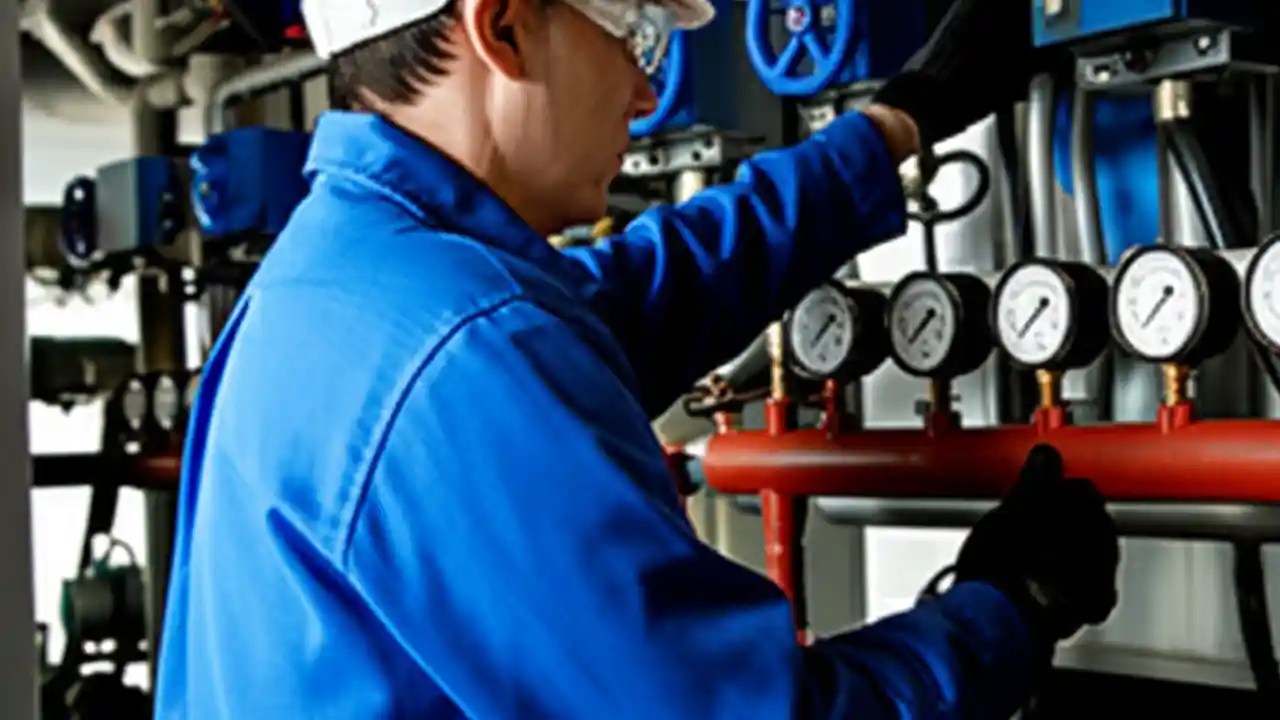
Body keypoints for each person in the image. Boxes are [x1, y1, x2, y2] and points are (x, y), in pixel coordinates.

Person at [153, 0, 1120, 716]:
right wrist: (1006, 614)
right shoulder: (464, 351)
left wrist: (895, 124)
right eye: (636, 40)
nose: (650, 91)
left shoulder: (342, 276)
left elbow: (636, 299)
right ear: (503, 30)